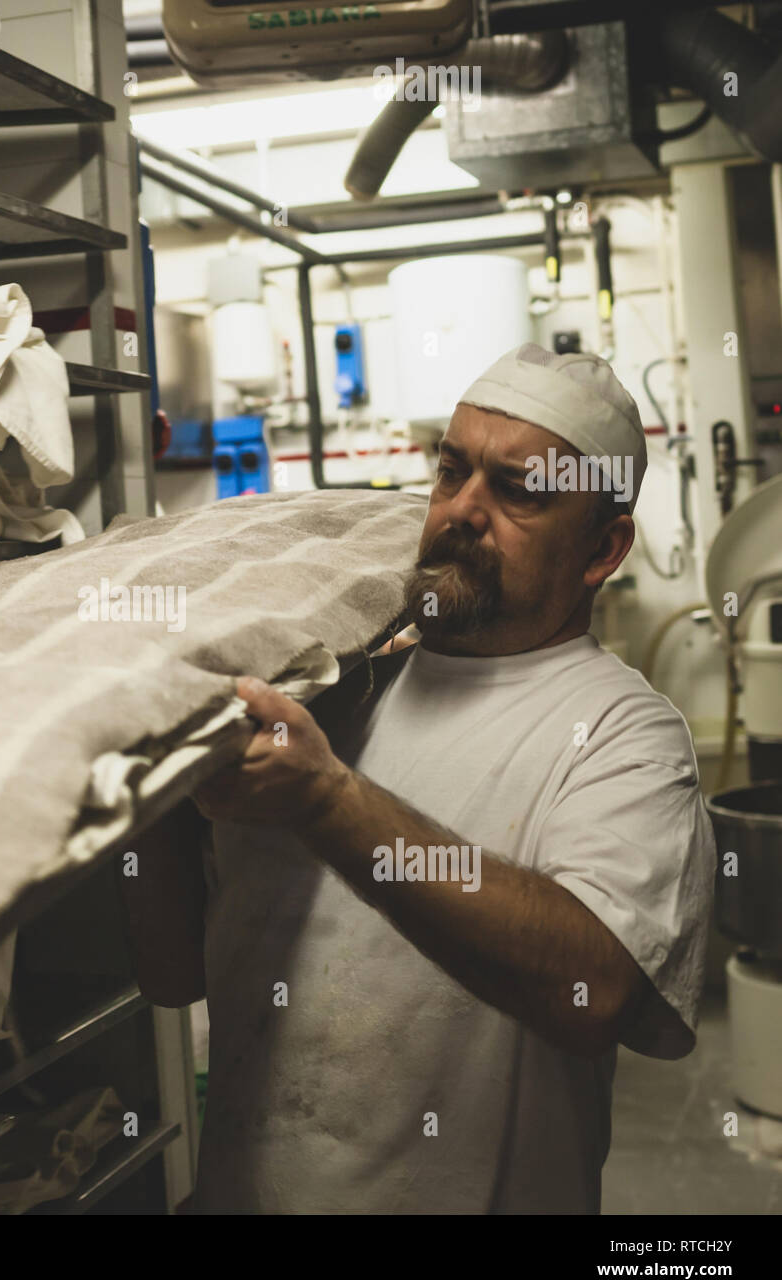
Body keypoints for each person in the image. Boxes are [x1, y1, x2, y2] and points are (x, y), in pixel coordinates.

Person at [120, 344, 715, 1214]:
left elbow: (591, 991)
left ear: (603, 550)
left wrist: (328, 799)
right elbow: (174, 975)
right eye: (452, 471)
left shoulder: (621, 737)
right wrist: (149, 760)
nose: (463, 510)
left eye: (520, 492)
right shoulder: (329, 693)